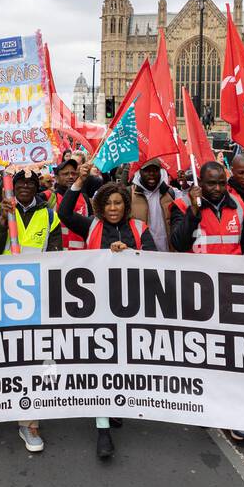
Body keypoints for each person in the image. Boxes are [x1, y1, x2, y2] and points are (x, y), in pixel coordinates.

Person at [59, 162, 156, 459]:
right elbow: (63, 214)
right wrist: (79, 182)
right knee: (101, 364)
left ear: (125, 206)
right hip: (96, 309)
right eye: (108, 203)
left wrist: (131, 255)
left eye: (118, 203)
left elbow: (154, 262)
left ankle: (116, 404)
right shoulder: (91, 226)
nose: (113, 208)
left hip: (129, 310)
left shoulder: (140, 229)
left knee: (122, 363)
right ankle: (102, 429)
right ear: (99, 206)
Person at [169, 160, 244, 444]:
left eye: (221, 182)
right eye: (210, 183)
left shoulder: (239, 207)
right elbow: (178, 244)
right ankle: (203, 405)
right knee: (202, 353)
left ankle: (234, 414)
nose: (217, 188)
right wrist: (195, 210)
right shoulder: (183, 207)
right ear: (200, 183)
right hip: (197, 295)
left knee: (232, 356)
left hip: (233, 293)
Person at [0, 168, 62, 452]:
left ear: (38, 185)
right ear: (10, 185)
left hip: (35, 300)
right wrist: (3, 220)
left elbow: (56, 256)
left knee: (34, 358)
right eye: (20, 181)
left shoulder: (50, 215)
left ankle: (29, 422)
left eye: (31, 181)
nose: (25, 186)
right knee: (1, 356)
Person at [130, 158, 175, 252]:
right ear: (139, 172)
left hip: (166, 253)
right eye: (147, 170)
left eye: (155, 170)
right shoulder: (129, 194)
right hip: (141, 255)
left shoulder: (169, 193)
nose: (151, 174)